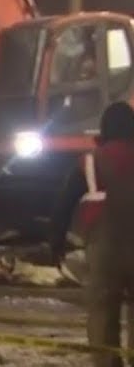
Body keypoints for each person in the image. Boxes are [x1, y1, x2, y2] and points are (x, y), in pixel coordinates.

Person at [82, 101, 134, 366]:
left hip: (104, 252)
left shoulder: (93, 160)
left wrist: (55, 240)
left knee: (103, 316)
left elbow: (64, 201)